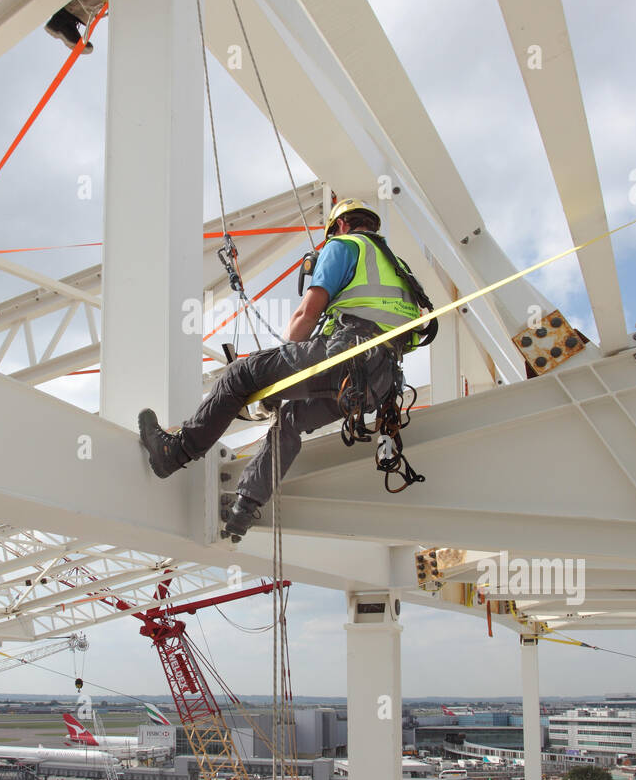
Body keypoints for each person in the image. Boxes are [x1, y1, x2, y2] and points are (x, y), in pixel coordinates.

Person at [138, 199, 432, 538]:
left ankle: (173, 453)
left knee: (239, 376)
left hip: (345, 359)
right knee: (290, 420)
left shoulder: (344, 245)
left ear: (340, 226)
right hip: (378, 384)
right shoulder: (400, 268)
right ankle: (245, 506)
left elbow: (307, 314)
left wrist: (282, 364)